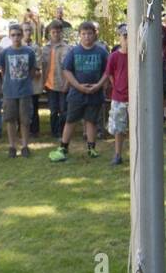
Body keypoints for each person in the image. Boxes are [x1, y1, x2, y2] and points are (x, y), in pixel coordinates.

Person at [50, 20, 109, 162]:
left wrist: (99, 86)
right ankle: (63, 147)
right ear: (79, 35)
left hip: (95, 92)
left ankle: (91, 147)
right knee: (70, 120)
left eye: (89, 33)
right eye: (84, 34)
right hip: (77, 93)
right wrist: (78, 86)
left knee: (91, 121)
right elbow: (67, 70)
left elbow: (107, 72)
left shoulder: (101, 52)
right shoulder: (74, 51)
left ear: (95, 34)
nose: (87, 37)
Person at [0, 22, 38, 157]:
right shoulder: (5, 53)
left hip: (25, 91)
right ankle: (12, 146)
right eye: (13, 35)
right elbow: (3, 71)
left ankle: (25, 146)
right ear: (9, 36)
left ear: (22, 35)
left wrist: (25, 82)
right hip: (10, 91)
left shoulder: (29, 52)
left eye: (18, 35)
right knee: (10, 119)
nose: (16, 37)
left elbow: (33, 71)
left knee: (25, 120)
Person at [105, 23, 130, 165]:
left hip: (134, 98)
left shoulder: (137, 55)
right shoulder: (114, 56)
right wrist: (117, 87)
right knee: (118, 128)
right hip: (119, 97)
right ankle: (118, 154)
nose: (127, 40)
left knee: (135, 127)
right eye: (125, 36)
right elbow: (110, 74)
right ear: (120, 38)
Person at [41, 19, 71, 140]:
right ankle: (54, 132)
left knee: (63, 110)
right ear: (49, 33)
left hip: (63, 83)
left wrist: (67, 83)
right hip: (50, 84)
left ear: (61, 33)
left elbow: (69, 68)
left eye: (58, 32)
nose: (56, 34)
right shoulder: (45, 48)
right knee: (53, 110)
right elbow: (42, 66)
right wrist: (42, 82)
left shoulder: (67, 48)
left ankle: (62, 131)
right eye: (53, 32)